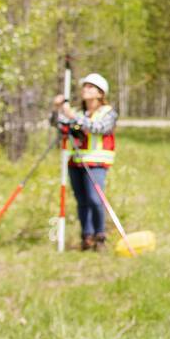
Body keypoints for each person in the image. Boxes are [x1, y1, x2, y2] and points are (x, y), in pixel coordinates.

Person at [53, 72, 118, 252]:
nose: (85, 89)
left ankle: (100, 236)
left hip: (96, 163)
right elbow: (59, 125)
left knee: (95, 200)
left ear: (100, 93)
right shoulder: (78, 113)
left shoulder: (108, 113)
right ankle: (86, 236)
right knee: (81, 200)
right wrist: (58, 110)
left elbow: (99, 128)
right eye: (84, 86)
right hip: (76, 162)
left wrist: (71, 115)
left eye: (90, 87)